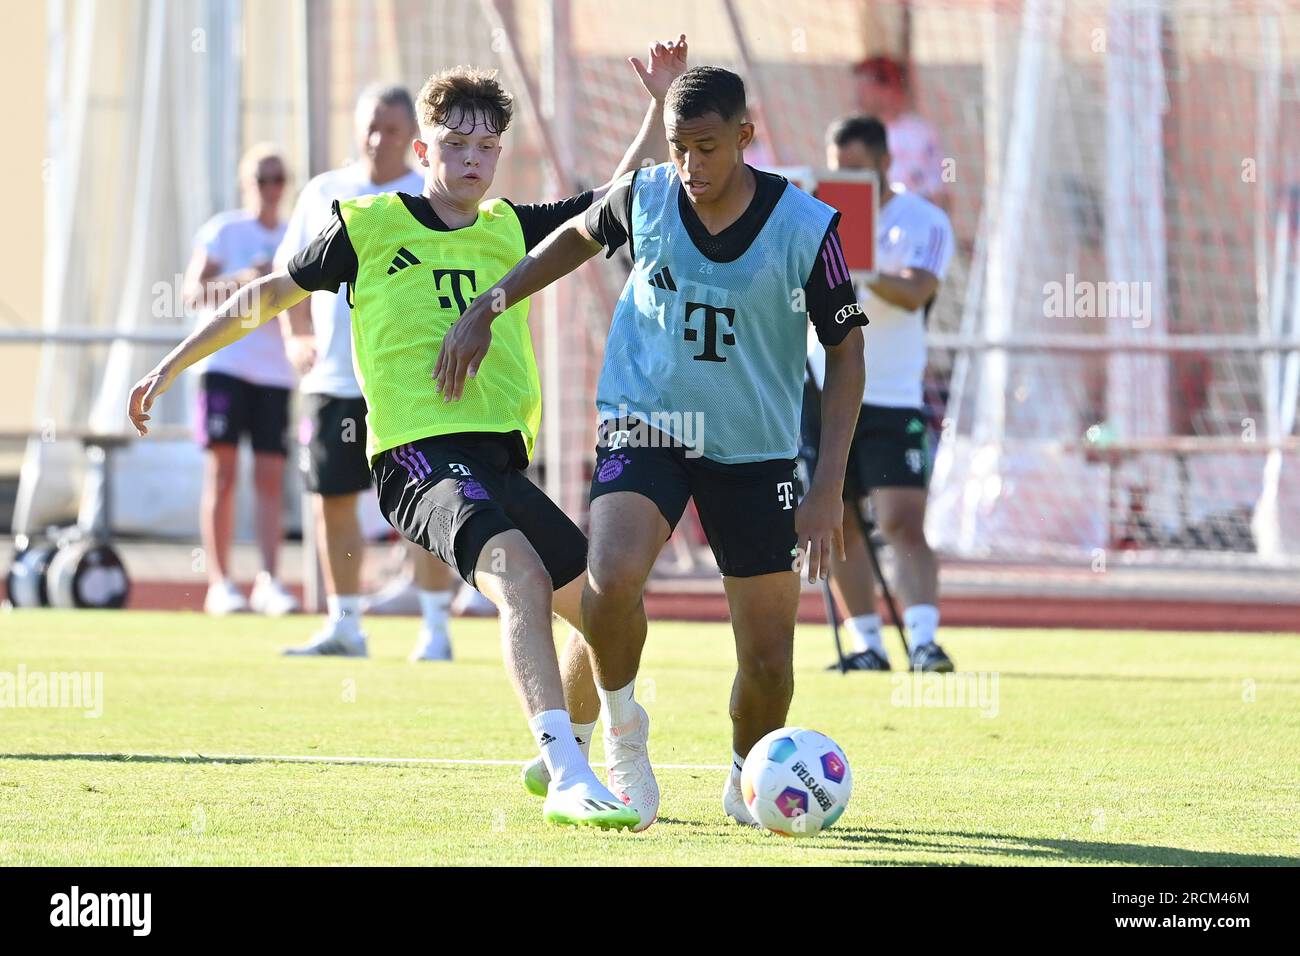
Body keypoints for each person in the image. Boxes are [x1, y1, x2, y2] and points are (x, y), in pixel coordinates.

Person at [129, 40, 689, 830]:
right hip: (417, 456)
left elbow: (612, 198)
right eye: (455, 145)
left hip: (497, 458)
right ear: (422, 150)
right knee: (519, 577)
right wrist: (171, 366)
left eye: (486, 146)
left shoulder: (508, 228)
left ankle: (569, 747)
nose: (471, 159)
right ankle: (568, 771)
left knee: (608, 608)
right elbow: (266, 294)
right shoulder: (366, 225)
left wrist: (659, 105)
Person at [435, 66, 867, 830]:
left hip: (755, 449)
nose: (691, 167)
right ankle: (624, 737)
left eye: (707, 148)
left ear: (745, 135)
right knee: (608, 578)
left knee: (768, 660)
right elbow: (573, 237)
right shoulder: (646, 194)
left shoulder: (808, 226)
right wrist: (490, 304)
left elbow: (847, 352)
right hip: (647, 424)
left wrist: (827, 483)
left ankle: (747, 774)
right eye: (679, 149)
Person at [274, 84, 458, 661]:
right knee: (333, 497)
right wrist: (297, 334)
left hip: (406, 379)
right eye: (371, 126)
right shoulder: (324, 191)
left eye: (393, 128)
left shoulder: (426, 194)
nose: (380, 139)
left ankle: (435, 627)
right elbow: (290, 275)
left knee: (429, 497)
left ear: (415, 137)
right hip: (333, 378)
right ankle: (346, 624)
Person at [805, 114, 955, 672]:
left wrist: (859, 267)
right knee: (833, 517)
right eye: (837, 168)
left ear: (885, 164)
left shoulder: (922, 220)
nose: (845, 180)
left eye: (857, 170)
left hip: (891, 394)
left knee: (900, 519)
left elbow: (917, 291)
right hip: (824, 389)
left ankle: (923, 639)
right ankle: (866, 643)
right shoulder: (813, 218)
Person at [183, 144, 299, 618]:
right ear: (245, 183)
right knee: (223, 472)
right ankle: (220, 582)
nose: (270, 188)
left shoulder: (295, 234)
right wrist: (245, 281)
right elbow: (192, 293)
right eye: (261, 178)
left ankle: (269, 580)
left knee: (270, 476)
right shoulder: (224, 230)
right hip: (224, 366)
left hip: (274, 371)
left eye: (277, 178)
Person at [853, 55, 949, 211]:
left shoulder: (922, 133)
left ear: (888, 89)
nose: (858, 91)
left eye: (865, 84)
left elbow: (939, 192)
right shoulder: (854, 134)